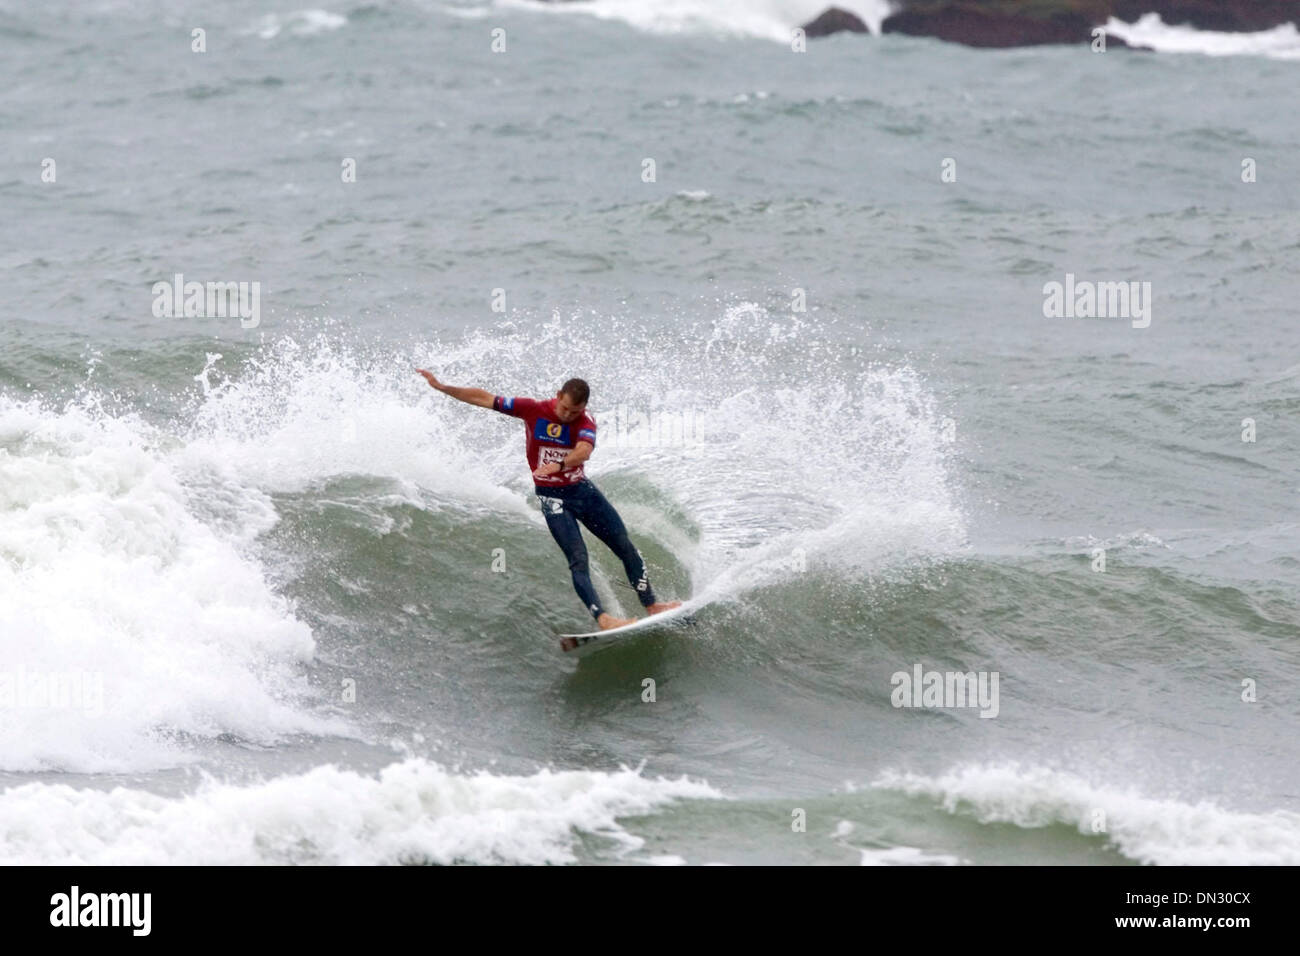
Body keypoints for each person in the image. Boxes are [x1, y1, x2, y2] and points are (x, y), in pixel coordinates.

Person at [417, 370, 681, 630]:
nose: (567, 415)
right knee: (578, 558)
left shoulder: (585, 421)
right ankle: (603, 618)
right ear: (558, 396)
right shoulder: (532, 409)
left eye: (574, 412)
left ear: (584, 408)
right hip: (552, 499)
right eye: (564, 408)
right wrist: (443, 388)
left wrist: (559, 465)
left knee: (626, 547)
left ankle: (651, 604)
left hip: (582, 492)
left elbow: (584, 451)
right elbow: (485, 399)